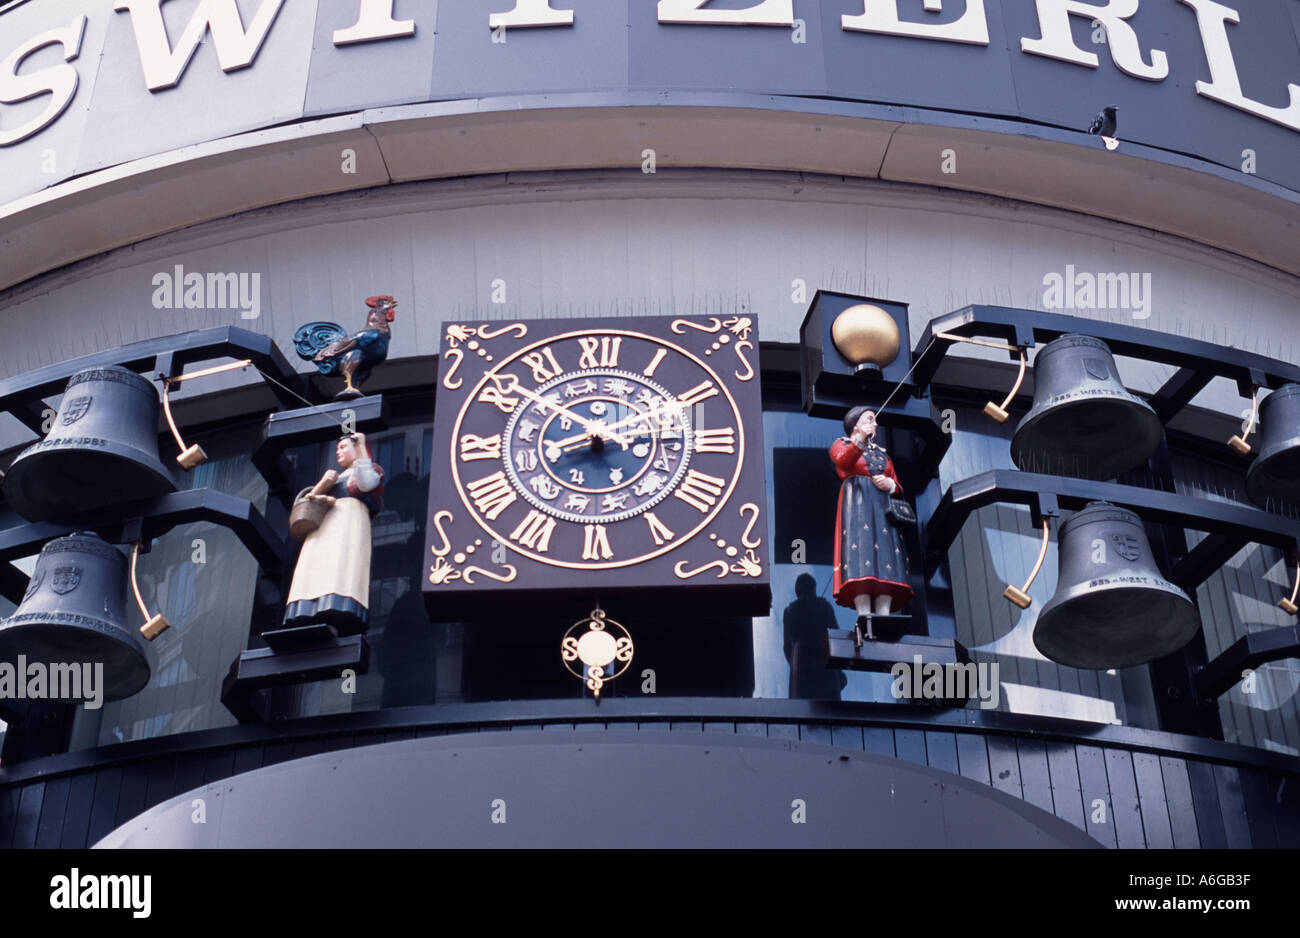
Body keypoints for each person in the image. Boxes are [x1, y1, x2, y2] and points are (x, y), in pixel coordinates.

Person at [284, 432, 385, 630]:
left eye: (343, 447)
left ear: (356, 449)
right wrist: (322, 485)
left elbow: (367, 484)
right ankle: (308, 606)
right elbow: (305, 506)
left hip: (349, 521)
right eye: (337, 448)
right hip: (324, 526)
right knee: (314, 564)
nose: (338, 452)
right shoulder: (334, 477)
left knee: (343, 565)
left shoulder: (369, 469)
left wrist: (362, 444)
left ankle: (337, 604)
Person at [830, 406, 913, 640]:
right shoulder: (842, 444)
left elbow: (896, 482)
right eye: (869, 419)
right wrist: (860, 440)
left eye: (875, 421)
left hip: (882, 507)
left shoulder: (882, 453)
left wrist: (892, 486)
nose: (874, 424)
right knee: (860, 553)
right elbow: (843, 462)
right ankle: (864, 613)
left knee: (887, 557)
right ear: (855, 424)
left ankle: (884, 614)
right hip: (857, 504)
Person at [783, 573, 846, 700]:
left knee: (802, 712)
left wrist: (796, 666)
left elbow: (787, 648)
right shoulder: (824, 606)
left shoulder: (789, 611)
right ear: (813, 588)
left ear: (797, 591)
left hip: (801, 670)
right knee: (830, 712)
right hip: (825, 668)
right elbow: (837, 638)